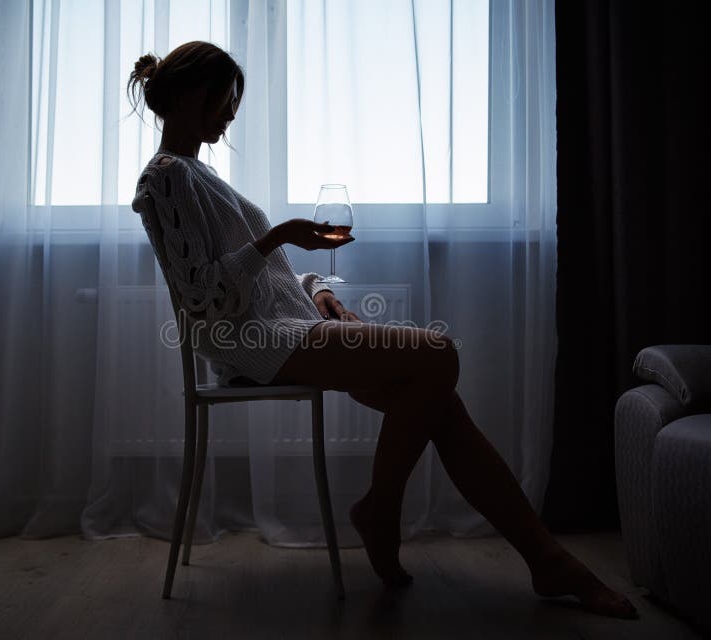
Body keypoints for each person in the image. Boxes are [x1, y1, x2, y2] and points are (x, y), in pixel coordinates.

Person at [128, 40, 638, 620]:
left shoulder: (199, 173)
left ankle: (547, 561)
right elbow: (203, 298)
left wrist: (318, 291)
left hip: (283, 326)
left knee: (437, 399)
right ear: (196, 95)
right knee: (436, 356)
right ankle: (384, 512)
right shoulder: (168, 177)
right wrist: (276, 237)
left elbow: (265, 274)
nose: (232, 114)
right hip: (251, 342)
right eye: (226, 102)